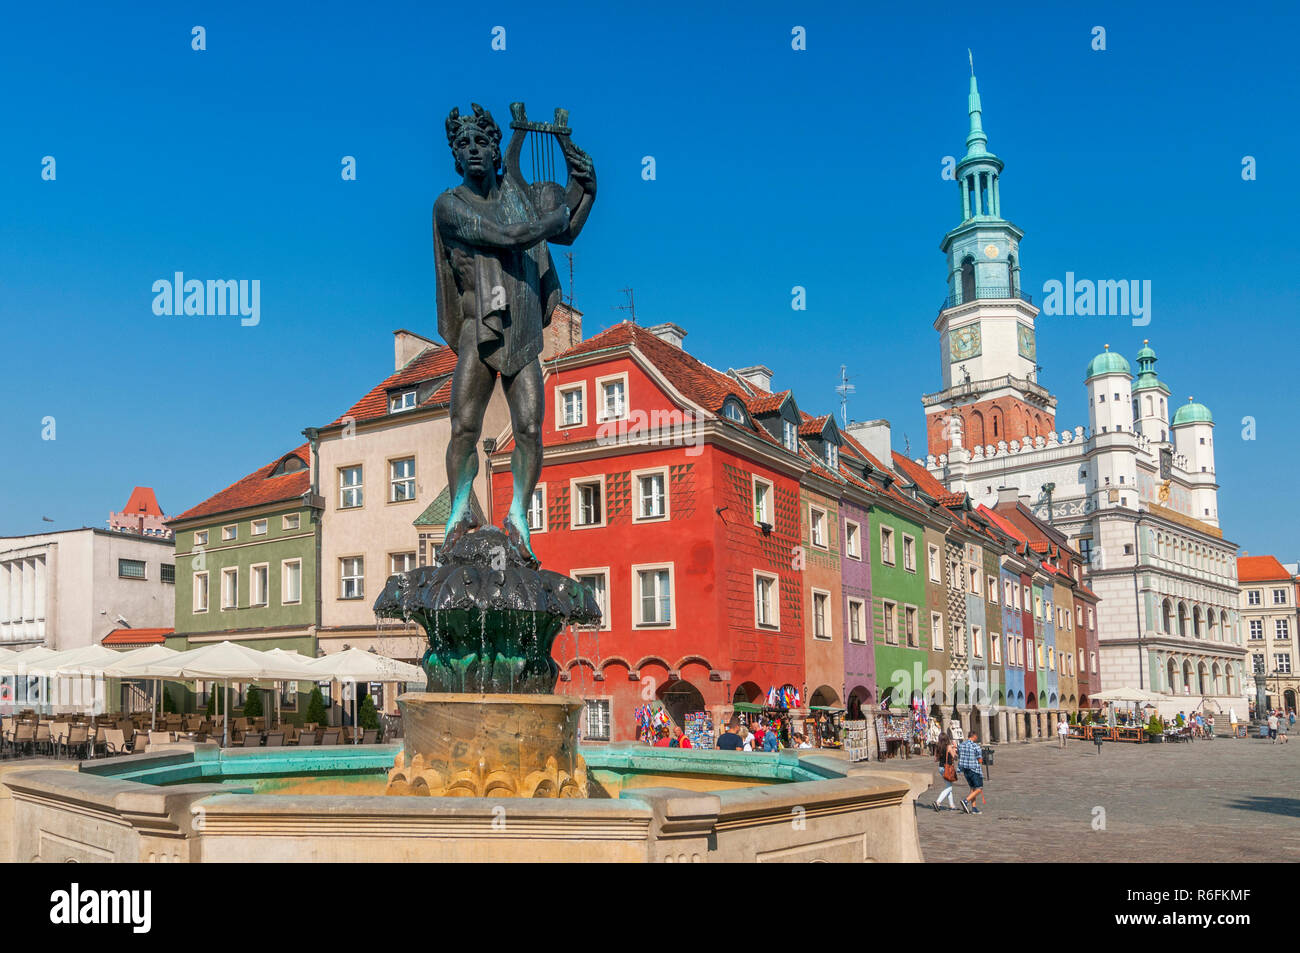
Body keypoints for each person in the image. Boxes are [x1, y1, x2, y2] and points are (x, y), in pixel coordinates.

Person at [957, 730, 984, 814]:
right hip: (974, 769)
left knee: (972, 788)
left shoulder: (961, 745)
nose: (977, 737)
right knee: (979, 788)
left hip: (965, 770)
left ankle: (974, 808)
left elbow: (959, 755)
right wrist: (980, 760)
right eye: (976, 736)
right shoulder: (975, 746)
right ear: (974, 736)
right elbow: (979, 760)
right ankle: (966, 801)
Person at [932, 733, 957, 812]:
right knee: (949, 787)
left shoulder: (937, 747)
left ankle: (951, 805)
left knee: (948, 785)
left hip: (941, 768)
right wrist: (955, 748)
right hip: (947, 768)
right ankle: (938, 801)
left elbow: (935, 759)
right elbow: (955, 757)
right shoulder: (949, 746)